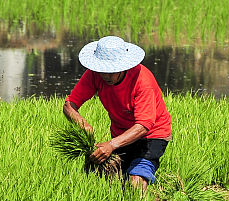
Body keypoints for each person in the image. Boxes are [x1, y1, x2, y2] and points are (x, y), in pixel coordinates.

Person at [62, 35, 172, 191]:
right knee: (105, 174)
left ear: (123, 67)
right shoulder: (95, 74)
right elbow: (69, 104)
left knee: (136, 178)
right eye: (102, 70)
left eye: (111, 71)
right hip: (121, 134)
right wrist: (82, 124)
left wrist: (112, 145)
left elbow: (144, 125)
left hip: (152, 135)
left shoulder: (142, 81)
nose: (105, 76)